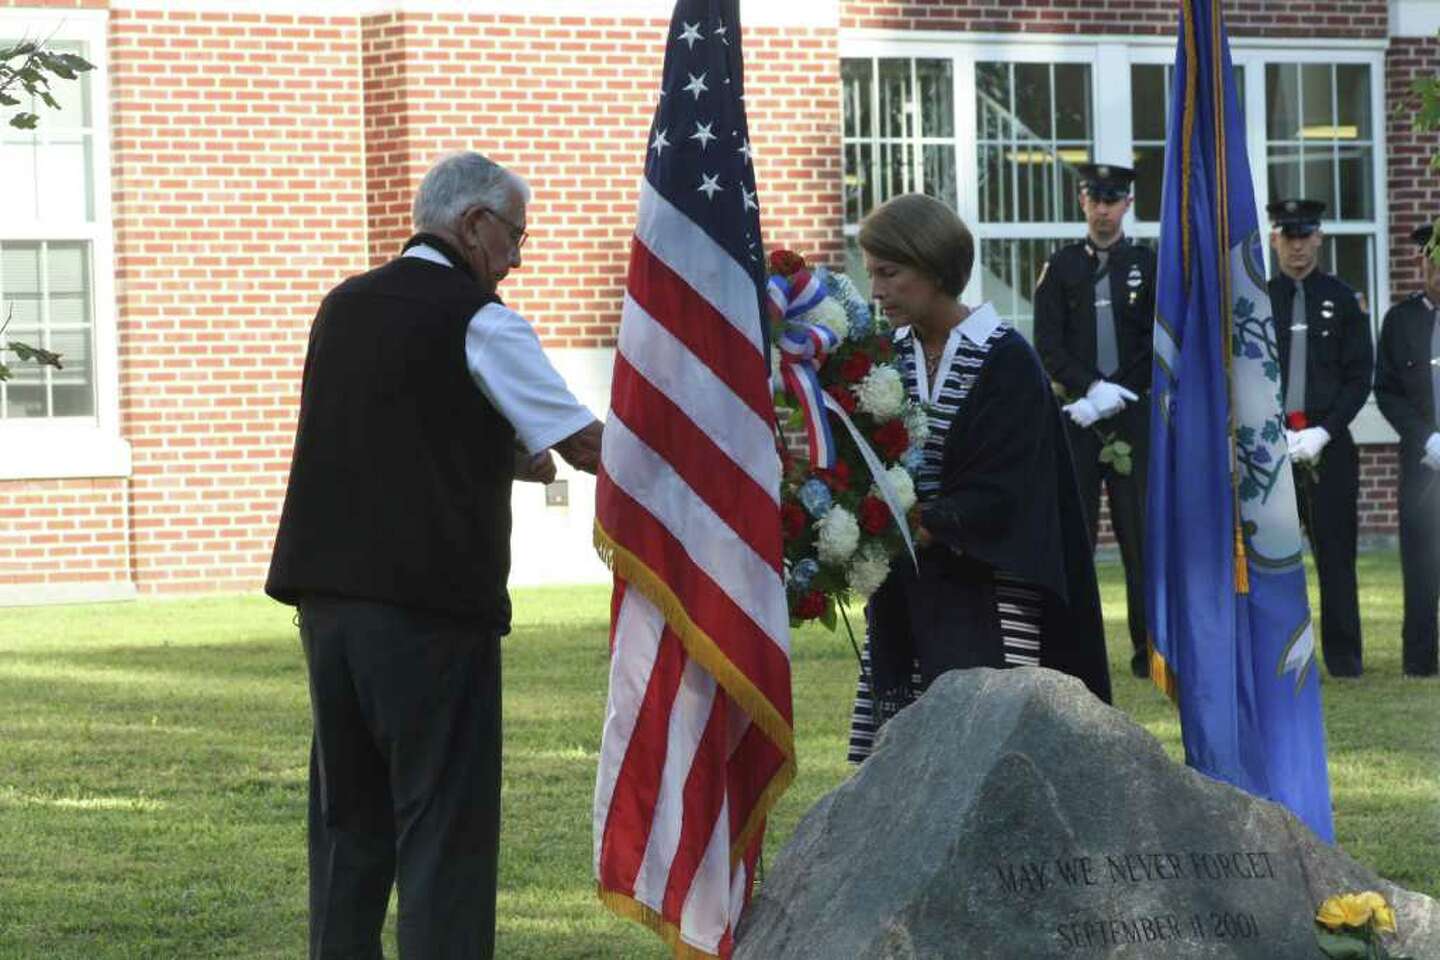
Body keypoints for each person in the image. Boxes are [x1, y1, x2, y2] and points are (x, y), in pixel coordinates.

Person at [265, 151, 604, 958]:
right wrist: (704, 474)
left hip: (330, 610)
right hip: (430, 615)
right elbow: (588, 444)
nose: (518, 259)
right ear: (474, 223)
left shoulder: (342, 306)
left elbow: (389, 430)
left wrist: (498, 453)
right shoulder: (479, 317)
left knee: (350, 828)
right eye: (515, 237)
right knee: (444, 835)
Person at [847, 193, 1112, 764]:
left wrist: (924, 522)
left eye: (890, 273)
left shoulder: (1007, 359)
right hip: (907, 596)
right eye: (871, 274)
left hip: (992, 592)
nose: (877, 291)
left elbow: (1013, 485)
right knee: (906, 766)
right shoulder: (885, 360)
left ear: (935, 266)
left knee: (988, 765)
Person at [1034, 162, 1156, 679]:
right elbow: (1049, 344)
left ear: (1127, 204)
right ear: (1082, 202)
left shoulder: (1147, 266)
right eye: (1094, 199)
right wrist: (1090, 389)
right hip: (1078, 421)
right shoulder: (1060, 267)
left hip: (1130, 417)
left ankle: (1148, 651)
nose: (1103, 209)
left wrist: (1117, 392)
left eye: (1113, 199)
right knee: (1076, 540)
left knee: (1140, 541)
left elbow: (1158, 342)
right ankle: (1078, 655)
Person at [1266, 198, 1374, 678]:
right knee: (1272, 559)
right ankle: (1276, 654)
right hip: (1271, 447)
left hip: (1327, 446)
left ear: (1319, 238)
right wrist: (1271, 431)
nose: (1297, 247)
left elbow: (1359, 375)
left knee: (1335, 556)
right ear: (1275, 240)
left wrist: (1324, 432)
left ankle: (1345, 658)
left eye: (1305, 236)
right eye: (1288, 237)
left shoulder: (1343, 299)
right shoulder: (1259, 299)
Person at [1373, 221, 1440, 678]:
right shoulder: (1401, 320)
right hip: (1423, 463)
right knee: (1420, 564)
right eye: (1432, 260)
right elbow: (1388, 390)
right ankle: (1419, 661)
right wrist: (1426, 437)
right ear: (1421, 261)